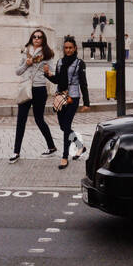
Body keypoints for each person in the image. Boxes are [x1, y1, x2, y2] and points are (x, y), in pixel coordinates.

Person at [11, 29, 57, 162]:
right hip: (26, 89)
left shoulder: (47, 54)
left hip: (39, 89)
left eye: (39, 37)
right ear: (31, 38)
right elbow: (17, 72)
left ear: (43, 40)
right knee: (21, 120)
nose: (36, 39)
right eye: (34, 37)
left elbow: (52, 72)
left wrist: (48, 72)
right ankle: (16, 152)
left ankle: (51, 147)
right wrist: (27, 63)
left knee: (39, 119)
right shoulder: (25, 52)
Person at [46, 36, 89, 168]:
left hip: (73, 97)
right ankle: (80, 147)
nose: (68, 50)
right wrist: (48, 74)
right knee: (63, 127)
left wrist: (86, 102)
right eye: (66, 48)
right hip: (60, 97)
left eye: (70, 48)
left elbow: (83, 83)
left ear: (75, 48)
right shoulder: (60, 62)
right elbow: (58, 80)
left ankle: (65, 157)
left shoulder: (79, 63)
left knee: (66, 128)